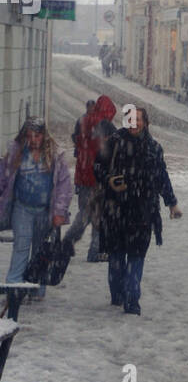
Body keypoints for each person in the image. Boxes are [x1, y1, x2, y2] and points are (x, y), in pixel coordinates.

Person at [94, 107, 181, 315]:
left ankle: (132, 299)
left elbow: (162, 177)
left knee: (136, 256)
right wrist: (109, 180)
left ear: (146, 123)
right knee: (116, 257)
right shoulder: (113, 143)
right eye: (131, 120)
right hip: (115, 211)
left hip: (142, 212)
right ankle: (117, 294)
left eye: (138, 120)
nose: (135, 123)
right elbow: (97, 167)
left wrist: (172, 203)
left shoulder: (153, 148)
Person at [0, 119, 73, 300]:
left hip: (45, 211)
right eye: (29, 136)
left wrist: (59, 212)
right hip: (22, 207)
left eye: (37, 135)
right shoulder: (16, 154)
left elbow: (64, 186)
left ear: (44, 136)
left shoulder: (54, 156)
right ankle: (14, 286)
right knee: (21, 245)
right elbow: (4, 178)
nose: (33, 140)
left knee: (40, 250)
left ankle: (36, 287)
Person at [66, 95, 116, 260]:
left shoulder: (83, 120)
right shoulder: (104, 126)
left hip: (83, 174)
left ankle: (68, 241)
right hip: (98, 175)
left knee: (86, 212)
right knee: (99, 214)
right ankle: (95, 250)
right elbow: (109, 152)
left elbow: (78, 143)